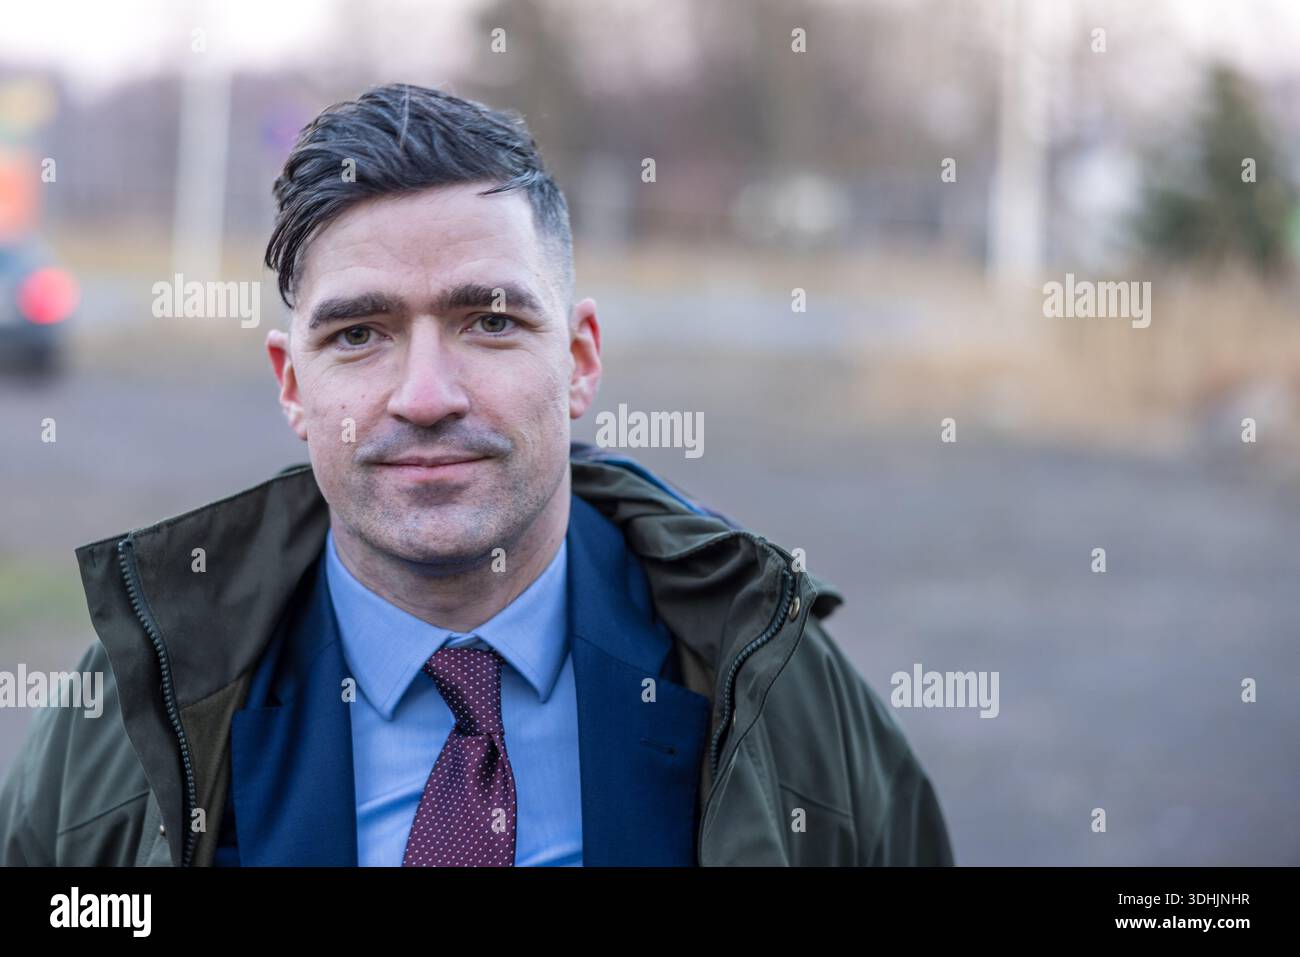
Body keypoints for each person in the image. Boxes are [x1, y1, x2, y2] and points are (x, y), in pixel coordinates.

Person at [0, 83, 953, 867]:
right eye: (360, 334)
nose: (425, 395)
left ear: (579, 361)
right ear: (293, 385)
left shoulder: (775, 685)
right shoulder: (137, 713)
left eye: (490, 320)